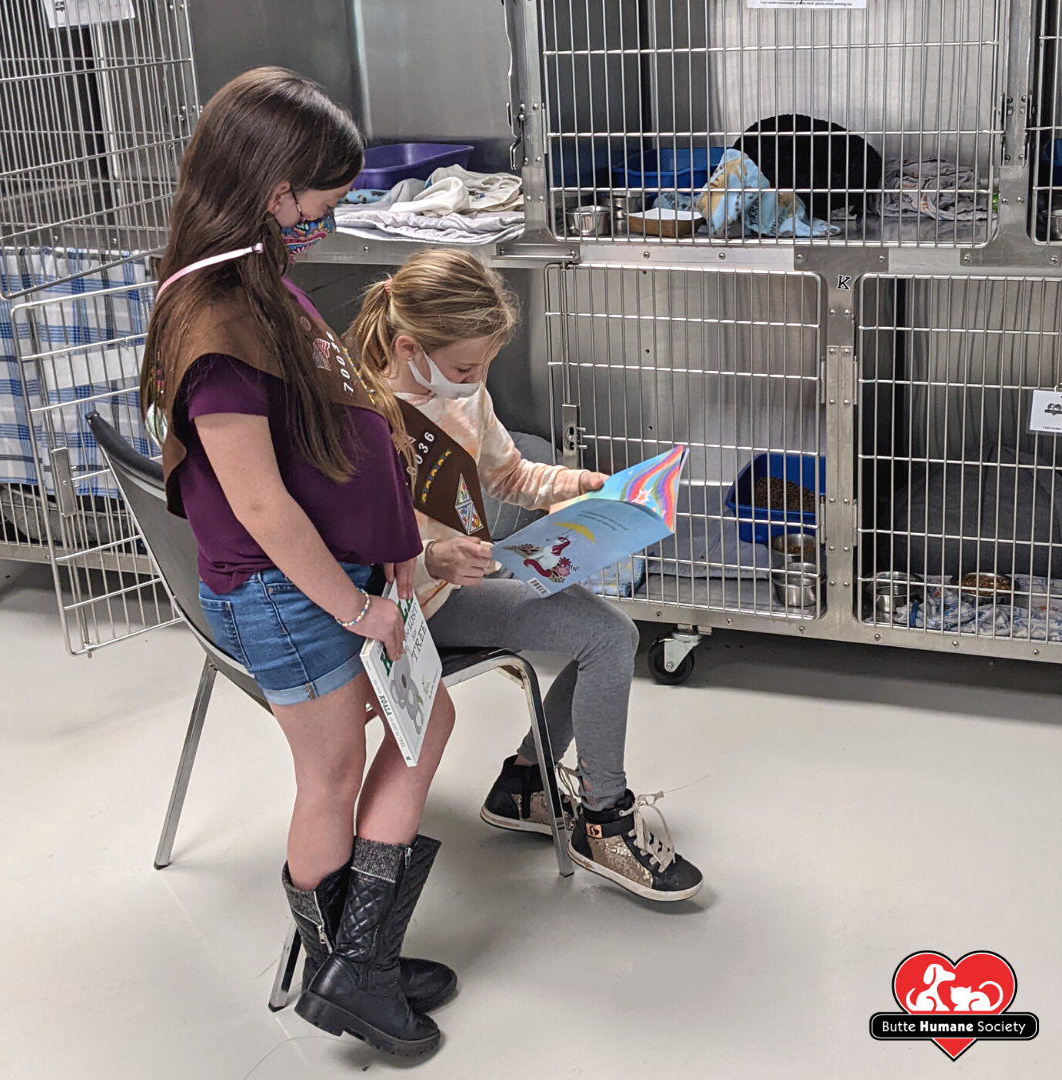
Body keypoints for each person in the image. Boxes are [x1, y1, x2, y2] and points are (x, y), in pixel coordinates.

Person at [140, 68, 455, 1058]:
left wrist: (392, 555)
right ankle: (350, 974)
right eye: (323, 201)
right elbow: (261, 505)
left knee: (424, 723)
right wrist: (360, 611)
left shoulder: (252, 278)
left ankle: (358, 960)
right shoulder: (213, 324)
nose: (330, 217)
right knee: (332, 778)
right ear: (273, 190)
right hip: (288, 594)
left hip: (329, 579)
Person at [348, 249, 704, 903]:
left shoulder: (462, 395)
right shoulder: (361, 416)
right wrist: (431, 560)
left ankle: (526, 786)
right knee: (608, 639)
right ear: (408, 347)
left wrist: (583, 487)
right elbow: (344, 551)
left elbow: (510, 475)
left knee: (610, 636)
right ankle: (603, 824)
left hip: (461, 582)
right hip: (406, 612)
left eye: (483, 367)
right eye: (465, 368)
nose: (475, 380)